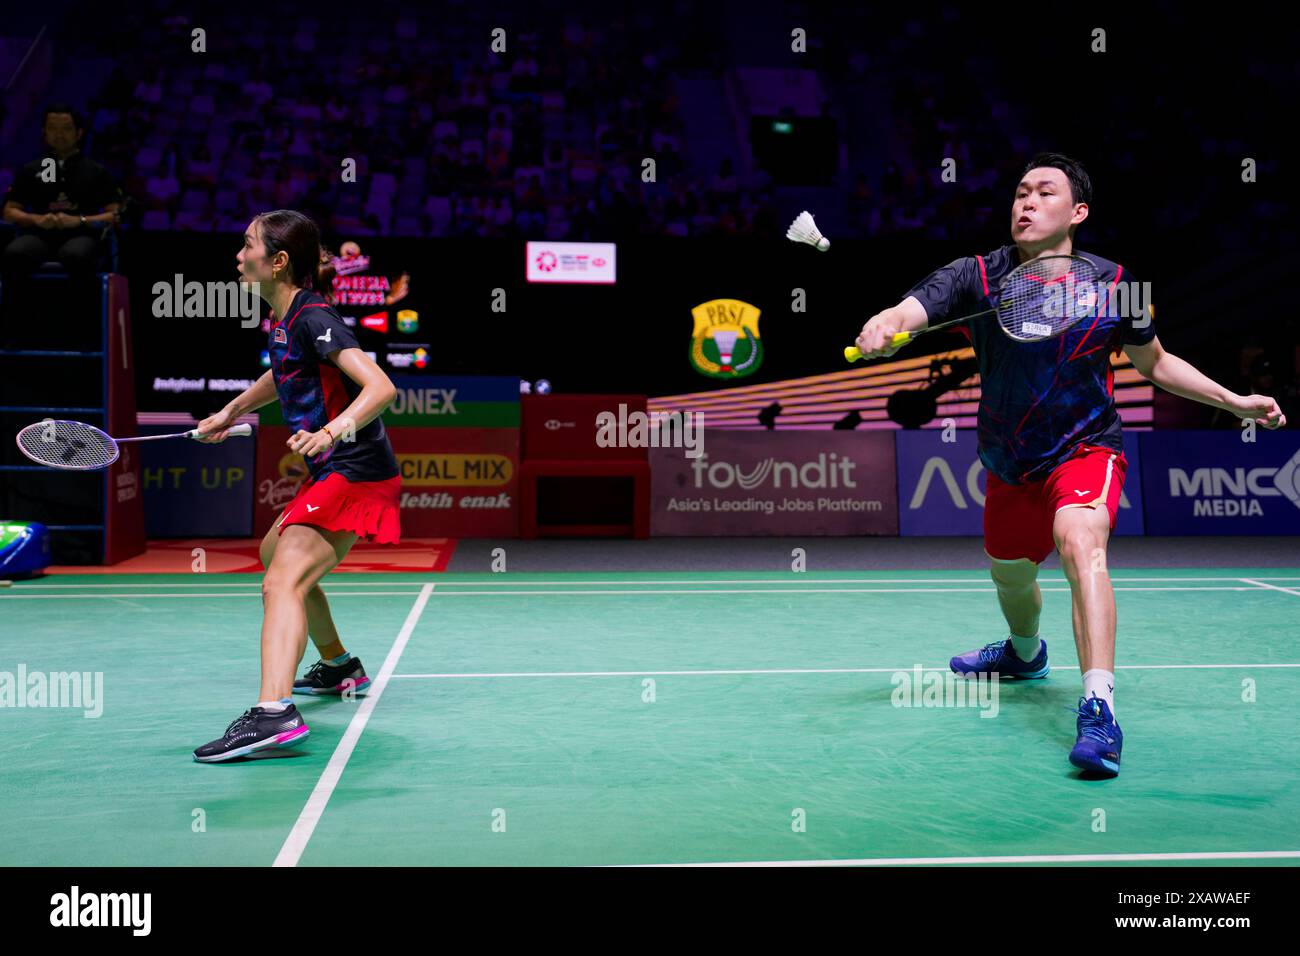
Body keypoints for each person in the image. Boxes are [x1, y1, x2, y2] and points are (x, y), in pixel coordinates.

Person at [855, 152, 1287, 777]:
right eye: (1020, 192)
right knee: (1010, 577)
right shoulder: (977, 275)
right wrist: (886, 324)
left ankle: (1098, 707)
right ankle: (1026, 654)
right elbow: (912, 310)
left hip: (1088, 447)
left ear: (1077, 212)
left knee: (1080, 539)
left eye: (1043, 193)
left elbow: (1156, 363)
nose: (1025, 202)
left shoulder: (1117, 284)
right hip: (1009, 459)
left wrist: (1235, 401)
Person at [191, 209, 401, 763]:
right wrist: (228, 412)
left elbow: (381, 387)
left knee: (279, 582)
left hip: (355, 469)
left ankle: (274, 716)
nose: (238, 256)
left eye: (247, 246)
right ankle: (337, 666)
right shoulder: (284, 320)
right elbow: (281, 374)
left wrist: (331, 430)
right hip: (338, 469)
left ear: (278, 261)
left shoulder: (314, 316)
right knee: (274, 556)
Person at [2, 105, 121, 280]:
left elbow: (115, 215)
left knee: (77, 255)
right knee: (16, 253)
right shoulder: (30, 170)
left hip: (82, 236)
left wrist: (79, 221)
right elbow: (9, 212)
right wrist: (37, 219)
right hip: (39, 235)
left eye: (66, 129)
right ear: (44, 132)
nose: (59, 134)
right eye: (52, 128)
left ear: (79, 133)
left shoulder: (96, 171)